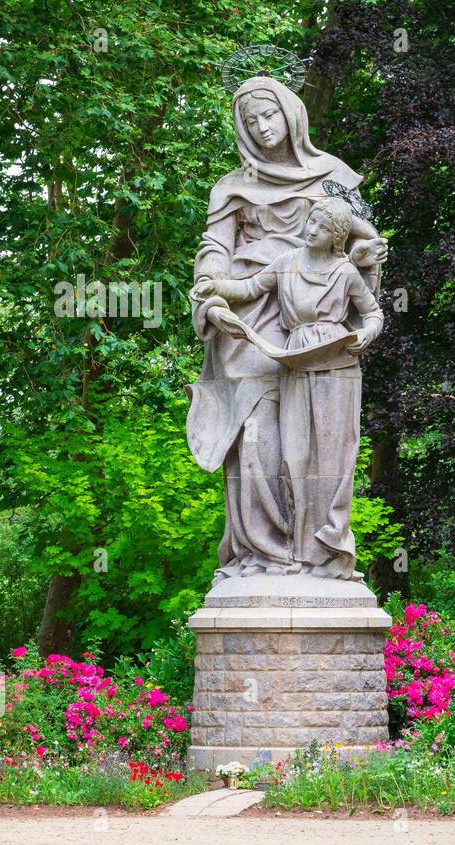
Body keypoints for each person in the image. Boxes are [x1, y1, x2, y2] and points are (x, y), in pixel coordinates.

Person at [186, 75, 387, 580]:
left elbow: (367, 241)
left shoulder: (333, 176)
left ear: (292, 115)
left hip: (312, 321)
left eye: (269, 114)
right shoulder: (230, 187)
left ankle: (317, 552)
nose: (262, 126)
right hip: (251, 320)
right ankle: (261, 554)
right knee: (255, 437)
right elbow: (215, 252)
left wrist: (365, 258)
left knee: (321, 441)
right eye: (251, 120)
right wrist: (209, 287)